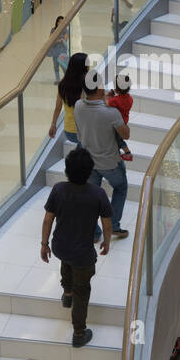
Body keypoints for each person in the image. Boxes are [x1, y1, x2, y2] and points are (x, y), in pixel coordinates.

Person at [41, 145, 113, 349]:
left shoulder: (58, 189)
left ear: (67, 170)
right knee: (83, 289)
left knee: (66, 260)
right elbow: (107, 223)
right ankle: (79, 333)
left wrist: (44, 244)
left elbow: (48, 220)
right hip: (82, 253)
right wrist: (107, 242)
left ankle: (67, 294)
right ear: (90, 172)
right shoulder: (98, 194)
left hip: (59, 246)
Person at [74, 66, 131, 240]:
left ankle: (94, 233)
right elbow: (125, 134)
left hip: (88, 162)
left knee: (91, 196)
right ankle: (114, 225)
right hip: (110, 163)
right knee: (120, 187)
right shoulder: (111, 113)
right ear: (99, 87)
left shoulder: (78, 106)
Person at [49, 51, 88, 156]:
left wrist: (53, 125)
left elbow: (58, 107)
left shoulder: (63, 83)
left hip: (68, 131)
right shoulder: (87, 84)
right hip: (84, 131)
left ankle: (77, 156)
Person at [106, 67, 134, 162]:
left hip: (117, 123)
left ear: (117, 89)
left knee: (117, 140)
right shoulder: (130, 99)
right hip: (124, 122)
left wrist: (108, 96)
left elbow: (106, 103)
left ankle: (128, 153)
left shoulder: (115, 100)